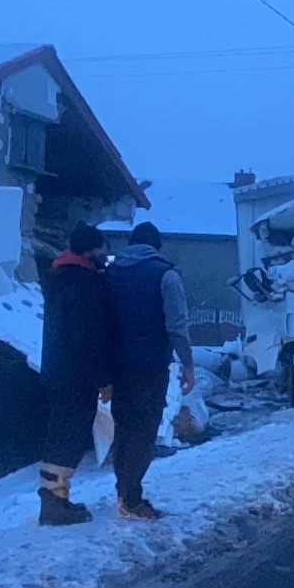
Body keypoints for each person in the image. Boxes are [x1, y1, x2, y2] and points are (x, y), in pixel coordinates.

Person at [105, 222, 196, 520]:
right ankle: (131, 499)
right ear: (156, 247)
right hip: (150, 366)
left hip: (116, 365)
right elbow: (177, 326)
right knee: (144, 431)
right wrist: (188, 363)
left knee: (123, 429)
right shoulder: (166, 275)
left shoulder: (110, 273)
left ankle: (124, 491)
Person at [38, 222, 111, 526]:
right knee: (71, 436)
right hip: (77, 375)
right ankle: (54, 504)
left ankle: (55, 496)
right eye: (102, 249)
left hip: (56, 370)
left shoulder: (58, 278)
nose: (105, 255)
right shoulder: (85, 284)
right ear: (91, 251)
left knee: (59, 433)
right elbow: (89, 337)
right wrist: (103, 378)